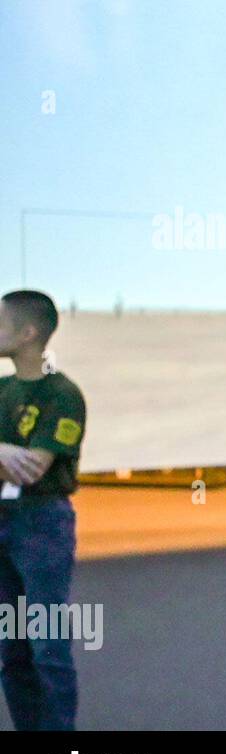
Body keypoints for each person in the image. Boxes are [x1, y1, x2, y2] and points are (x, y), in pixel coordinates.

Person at [0, 290, 86, 731]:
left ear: (28, 333)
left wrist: (10, 457)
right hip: (2, 520)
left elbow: (33, 468)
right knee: (10, 648)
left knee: (47, 644)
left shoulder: (62, 393)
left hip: (41, 524)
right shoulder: (1, 388)